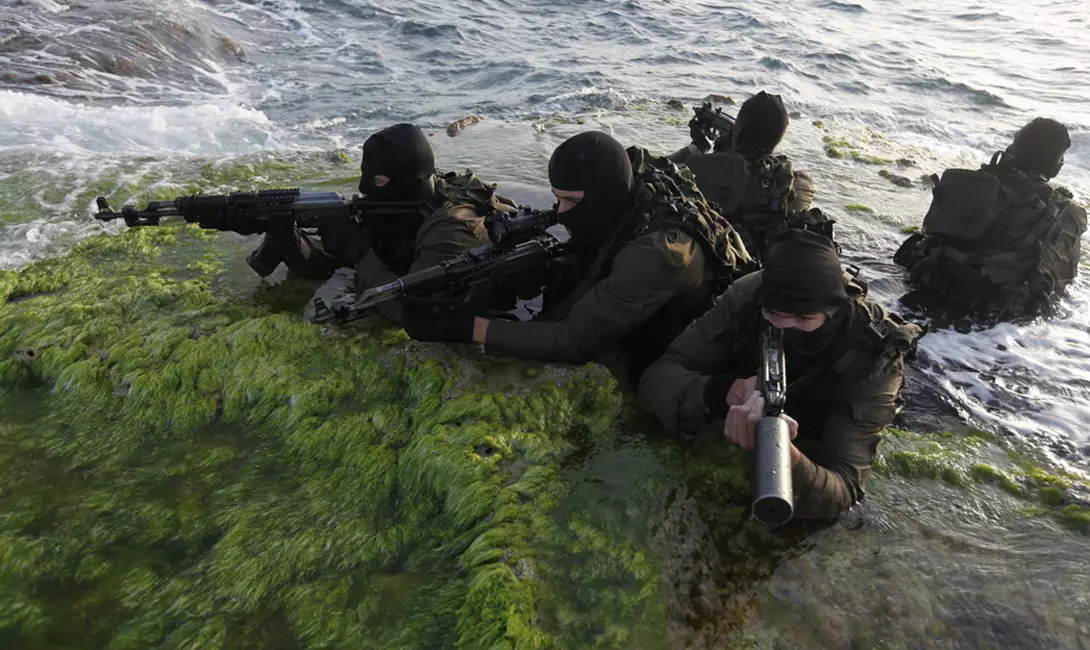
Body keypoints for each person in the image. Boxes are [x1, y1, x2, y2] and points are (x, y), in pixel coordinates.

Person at [400, 130, 752, 385]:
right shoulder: (627, 182)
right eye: (556, 198)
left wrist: (466, 328)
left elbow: (574, 341)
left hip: (691, 331)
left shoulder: (657, 253)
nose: (560, 211)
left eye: (571, 201)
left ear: (605, 195)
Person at [638, 230, 920, 519]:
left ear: (831, 313)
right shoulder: (748, 297)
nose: (785, 328)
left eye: (804, 318)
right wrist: (727, 392)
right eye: (775, 314)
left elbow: (845, 491)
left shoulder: (875, 360)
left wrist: (786, 455)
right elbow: (656, 379)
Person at [250, 122, 516, 322]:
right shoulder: (409, 200)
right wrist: (288, 233)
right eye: (365, 175)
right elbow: (370, 255)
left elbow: (412, 312)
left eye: (377, 180)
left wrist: (361, 252)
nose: (365, 187)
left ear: (412, 179)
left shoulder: (453, 226)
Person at [894, 117, 1086, 322]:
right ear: (1054, 163)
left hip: (930, 276)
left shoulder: (978, 181)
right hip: (991, 307)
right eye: (1061, 158)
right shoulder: (1064, 209)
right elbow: (1063, 276)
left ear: (1015, 146)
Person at [668, 91, 826, 261]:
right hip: (761, 257)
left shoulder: (707, 168)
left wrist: (697, 146)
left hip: (718, 259)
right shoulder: (781, 177)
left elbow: (661, 169)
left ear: (740, 128)